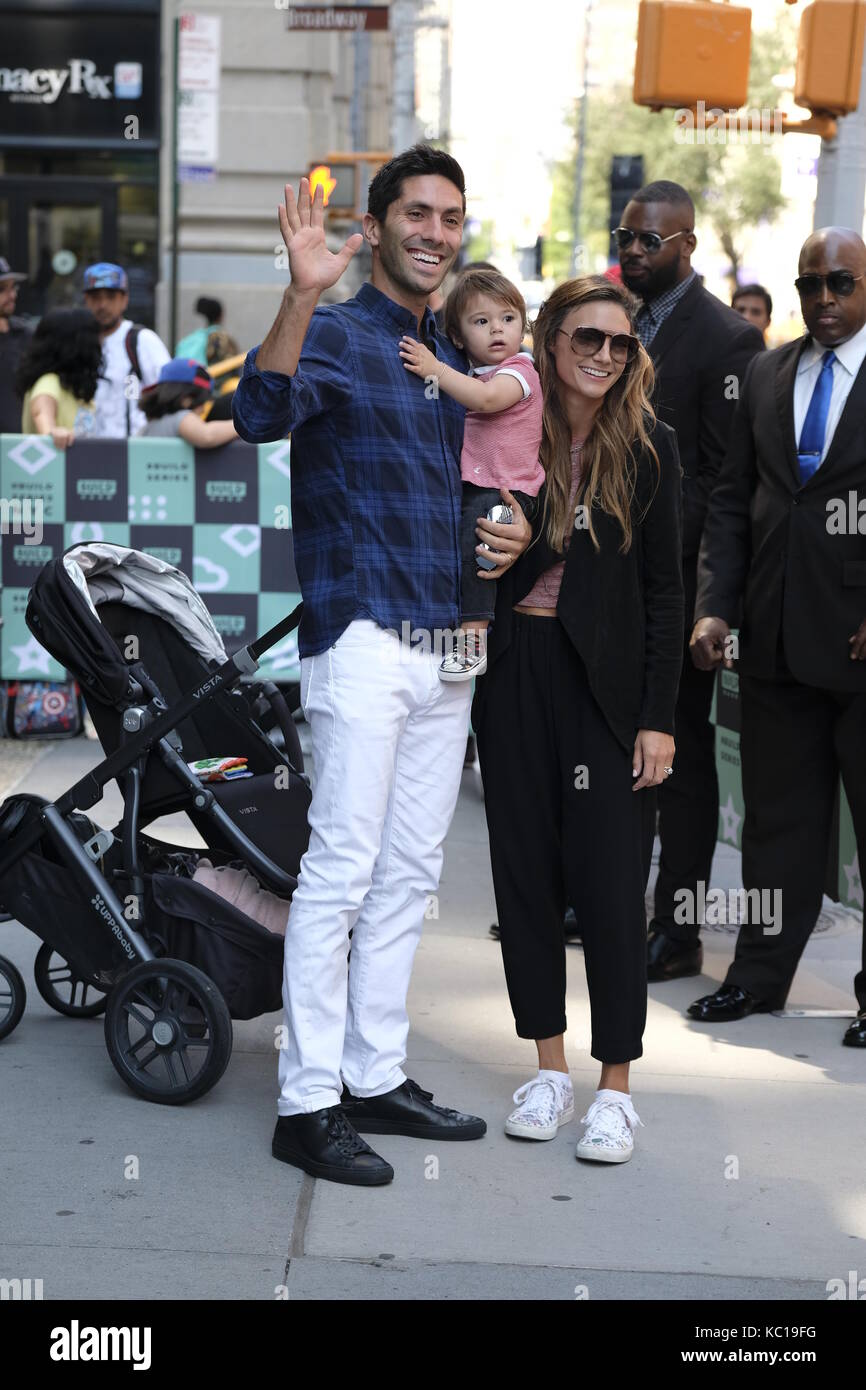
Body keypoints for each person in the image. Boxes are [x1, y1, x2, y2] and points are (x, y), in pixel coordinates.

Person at [232, 145, 531, 1187]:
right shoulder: (341, 331)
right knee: (342, 873)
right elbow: (258, 414)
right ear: (375, 223)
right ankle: (305, 1102)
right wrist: (298, 295)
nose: (435, 231)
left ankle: (373, 1073)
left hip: (449, 642)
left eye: (451, 216)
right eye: (416, 212)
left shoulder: (454, 356)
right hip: (359, 632)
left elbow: (500, 480)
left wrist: (510, 533)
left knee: (408, 875)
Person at [474, 275, 684, 1164]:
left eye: (619, 343)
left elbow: (666, 591)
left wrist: (659, 718)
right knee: (524, 874)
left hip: (606, 688)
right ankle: (549, 1069)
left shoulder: (649, 447)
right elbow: (469, 554)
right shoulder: (501, 431)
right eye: (586, 339)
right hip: (514, 671)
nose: (603, 355)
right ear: (550, 341)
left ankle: (616, 1087)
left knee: (607, 887)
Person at [688, 227, 866, 1045]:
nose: (824, 301)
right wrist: (716, 605)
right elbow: (733, 501)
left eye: (841, 284)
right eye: (811, 286)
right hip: (773, 639)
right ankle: (758, 980)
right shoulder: (767, 370)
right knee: (774, 824)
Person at [616, 180, 764, 980]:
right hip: (610, 586)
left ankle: (678, 931)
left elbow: (720, 481)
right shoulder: (621, 324)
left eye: (650, 240)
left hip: (672, 584)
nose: (633, 250)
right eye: (626, 236)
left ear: (687, 246)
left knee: (680, 759)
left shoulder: (727, 339)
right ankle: (606, 903)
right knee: (612, 749)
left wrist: (643, 541)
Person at [399, 267, 544, 679]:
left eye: (508, 319)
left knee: (478, 561)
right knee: (467, 558)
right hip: (482, 485)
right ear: (459, 337)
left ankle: (472, 645)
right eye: (482, 322)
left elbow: (483, 399)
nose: (497, 330)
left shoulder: (520, 370)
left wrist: (434, 369)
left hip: (506, 491)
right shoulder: (475, 370)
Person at [82, 263, 170, 438]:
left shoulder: (142, 340)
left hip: (136, 451)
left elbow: (168, 394)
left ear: (124, 300)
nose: (102, 305)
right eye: (95, 297)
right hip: (88, 451)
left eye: (111, 296)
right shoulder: (76, 344)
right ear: (86, 300)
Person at [17, 307, 101, 447]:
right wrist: (52, 431)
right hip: (55, 468)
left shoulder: (74, 388)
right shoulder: (48, 383)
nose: (100, 343)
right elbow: (41, 414)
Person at [139, 358, 237, 446]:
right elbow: (207, 436)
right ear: (187, 400)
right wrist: (242, 425)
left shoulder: (149, 426)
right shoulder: (181, 418)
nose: (203, 410)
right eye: (202, 403)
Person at [0, 256, 33, 434]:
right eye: (2, 289)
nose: (12, 295)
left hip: (19, 448)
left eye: (13, 287)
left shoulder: (27, 336)